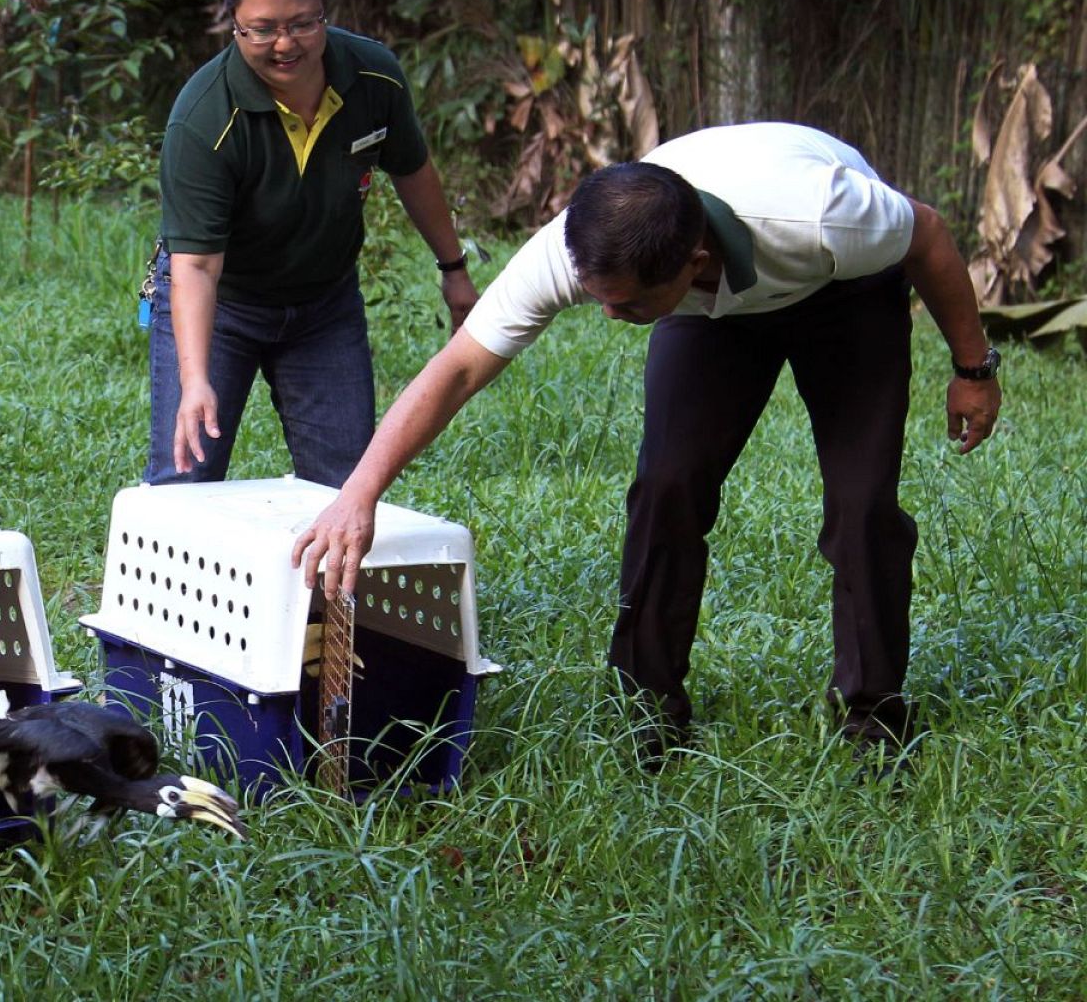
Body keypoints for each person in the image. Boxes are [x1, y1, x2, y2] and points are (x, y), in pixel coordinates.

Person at [291, 122, 1003, 766]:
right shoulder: (585, 245)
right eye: (597, 295)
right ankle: (647, 710)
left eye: (626, 304)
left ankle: (873, 715)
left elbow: (930, 236)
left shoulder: (828, 214)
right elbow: (457, 370)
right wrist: (361, 492)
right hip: (708, 314)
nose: (607, 315)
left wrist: (973, 369)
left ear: (692, 263)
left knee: (862, 504)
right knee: (666, 487)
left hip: (843, 295)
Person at [147, 0, 477, 487]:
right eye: (262, 29)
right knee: (186, 481)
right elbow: (196, 266)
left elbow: (413, 170)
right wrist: (195, 378)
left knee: (346, 490)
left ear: (326, 11)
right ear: (233, 24)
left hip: (324, 305)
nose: (285, 43)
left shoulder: (373, 77)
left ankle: (328, 583)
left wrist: (454, 272)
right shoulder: (203, 117)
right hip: (224, 307)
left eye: (303, 23)